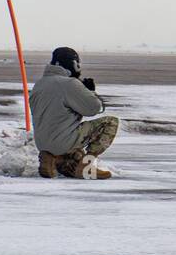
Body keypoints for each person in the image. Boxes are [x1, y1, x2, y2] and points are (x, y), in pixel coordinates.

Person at [29, 47, 118, 179]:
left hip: (42, 143)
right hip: (62, 141)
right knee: (111, 122)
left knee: (74, 149)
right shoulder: (69, 84)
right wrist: (90, 92)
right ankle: (86, 166)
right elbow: (93, 109)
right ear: (74, 64)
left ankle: (51, 160)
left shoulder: (40, 84)